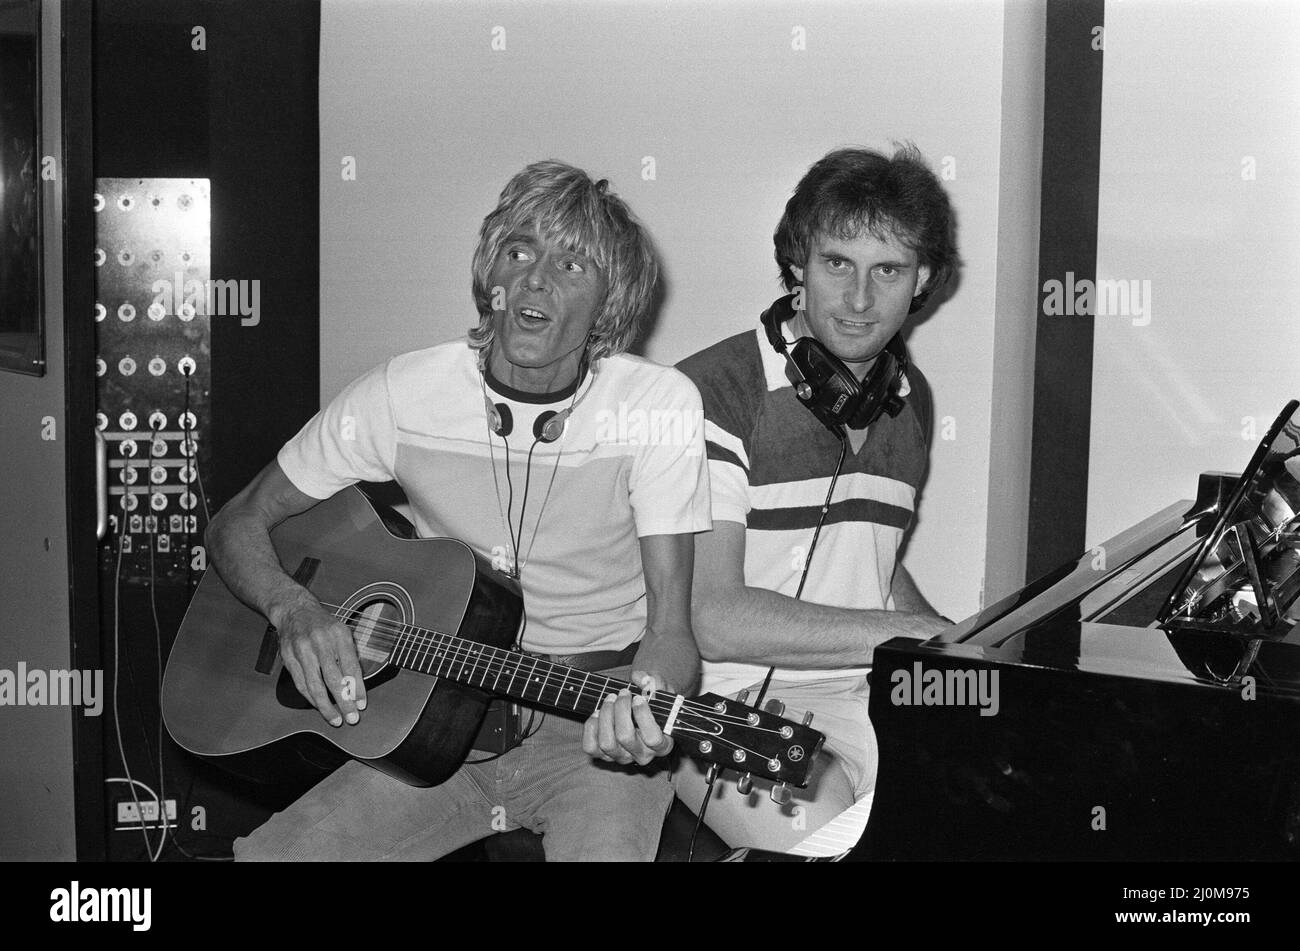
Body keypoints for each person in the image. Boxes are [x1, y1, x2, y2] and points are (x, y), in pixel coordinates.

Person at [209, 160, 710, 861]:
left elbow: (673, 634)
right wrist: (294, 609)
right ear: (493, 277)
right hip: (429, 715)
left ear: (610, 303)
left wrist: (647, 702)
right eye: (519, 251)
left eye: (572, 264)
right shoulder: (401, 394)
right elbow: (237, 522)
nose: (536, 278)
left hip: (593, 726)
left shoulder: (658, 407)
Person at [673, 144, 958, 852]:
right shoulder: (713, 391)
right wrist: (904, 636)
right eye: (838, 264)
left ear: (920, 279)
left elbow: (872, 562)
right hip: (711, 696)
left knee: (991, 786)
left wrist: (959, 646)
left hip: (858, 691)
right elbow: (714, 618)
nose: (860, 300)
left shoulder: (907, 397)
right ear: (798, 263)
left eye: (887, 270)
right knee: (826, 823)